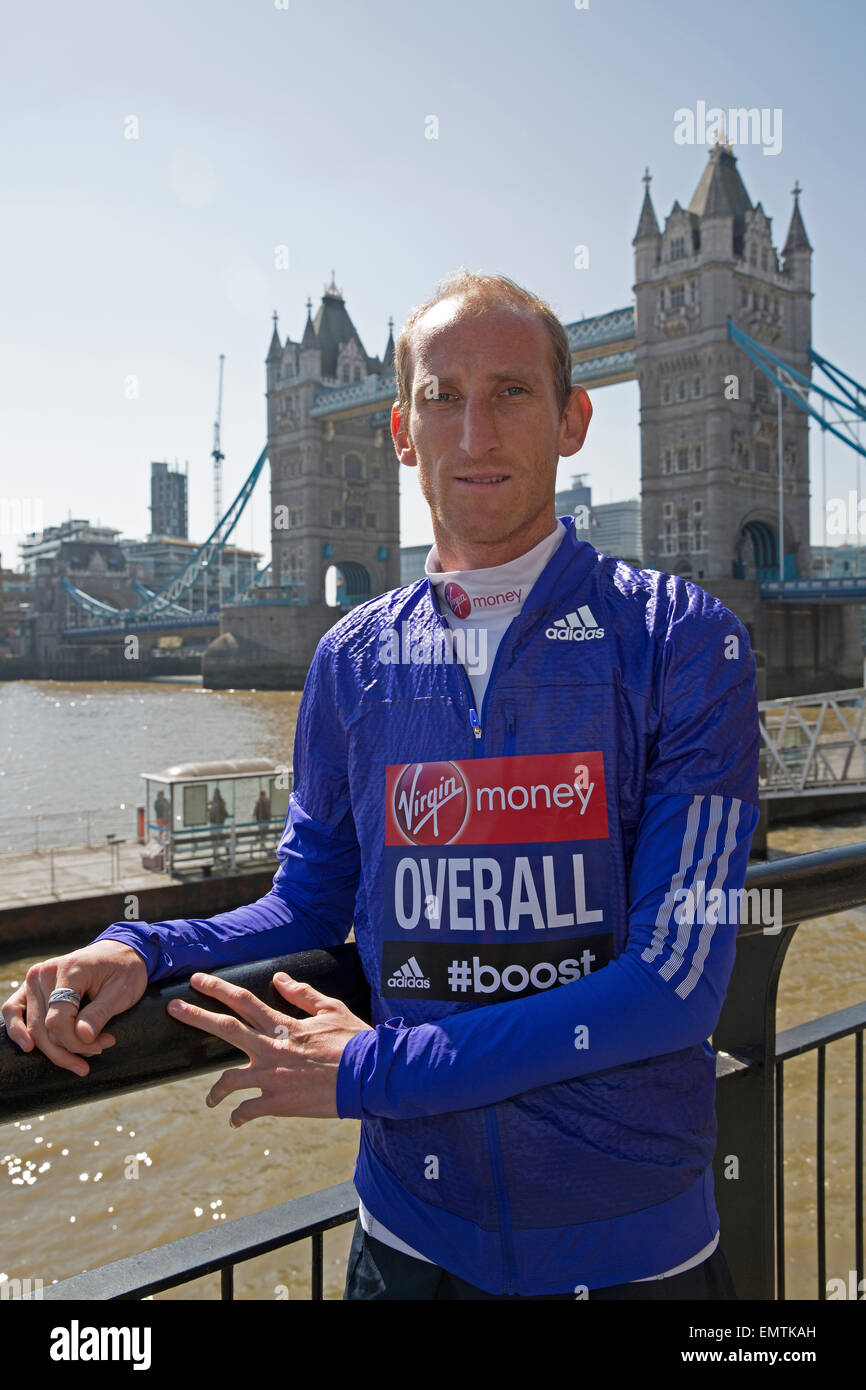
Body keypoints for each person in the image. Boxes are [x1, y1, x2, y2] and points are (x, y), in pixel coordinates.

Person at [1, 270, 759, 1300]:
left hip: (630, 1258)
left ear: (574, 419)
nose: (474, 433)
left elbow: (677, 980)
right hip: (405, 1245)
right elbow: (306, 905)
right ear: (399, 432)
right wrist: (141, 946)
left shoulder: (682, 640)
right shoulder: (350, 659)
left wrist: (371, 1073)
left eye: (511, 392)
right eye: (441, 398)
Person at [253, 789, 271, 855]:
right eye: (263, 795)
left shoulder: (267, 801)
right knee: (263, 833)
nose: (264, 796)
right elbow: (255, 812)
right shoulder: (258, 802)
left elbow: (269, 810)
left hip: (266, 820)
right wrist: (254, 818)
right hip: (261, 821)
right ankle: (261, 844)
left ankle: (261, 843)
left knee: (264, 833)